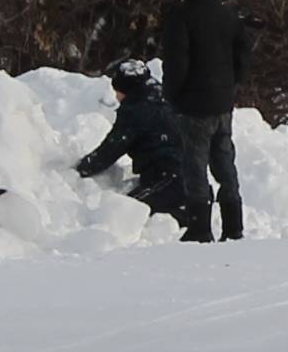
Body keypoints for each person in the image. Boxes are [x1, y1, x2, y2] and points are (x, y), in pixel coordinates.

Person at [159, 0, 255, 241]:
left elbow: (177, 63)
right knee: (225, 162)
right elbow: (244, 53)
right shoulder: (228, 15)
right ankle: (233, 225)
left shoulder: (180, 18)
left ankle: (200, 227)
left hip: (193, 105)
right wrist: (233, 83)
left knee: (195, 165)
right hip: (223, 102)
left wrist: (172, 95)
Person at [77, 59, 213, 241]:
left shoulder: (135, 110)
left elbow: (110, 149)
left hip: (170, 178)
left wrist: (80, 169)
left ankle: (187, 215)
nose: (116, 97)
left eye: (117, 91)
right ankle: (195, 204)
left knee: (129, 209)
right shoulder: (166, 96)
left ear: (125, 89)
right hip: (195, 175)